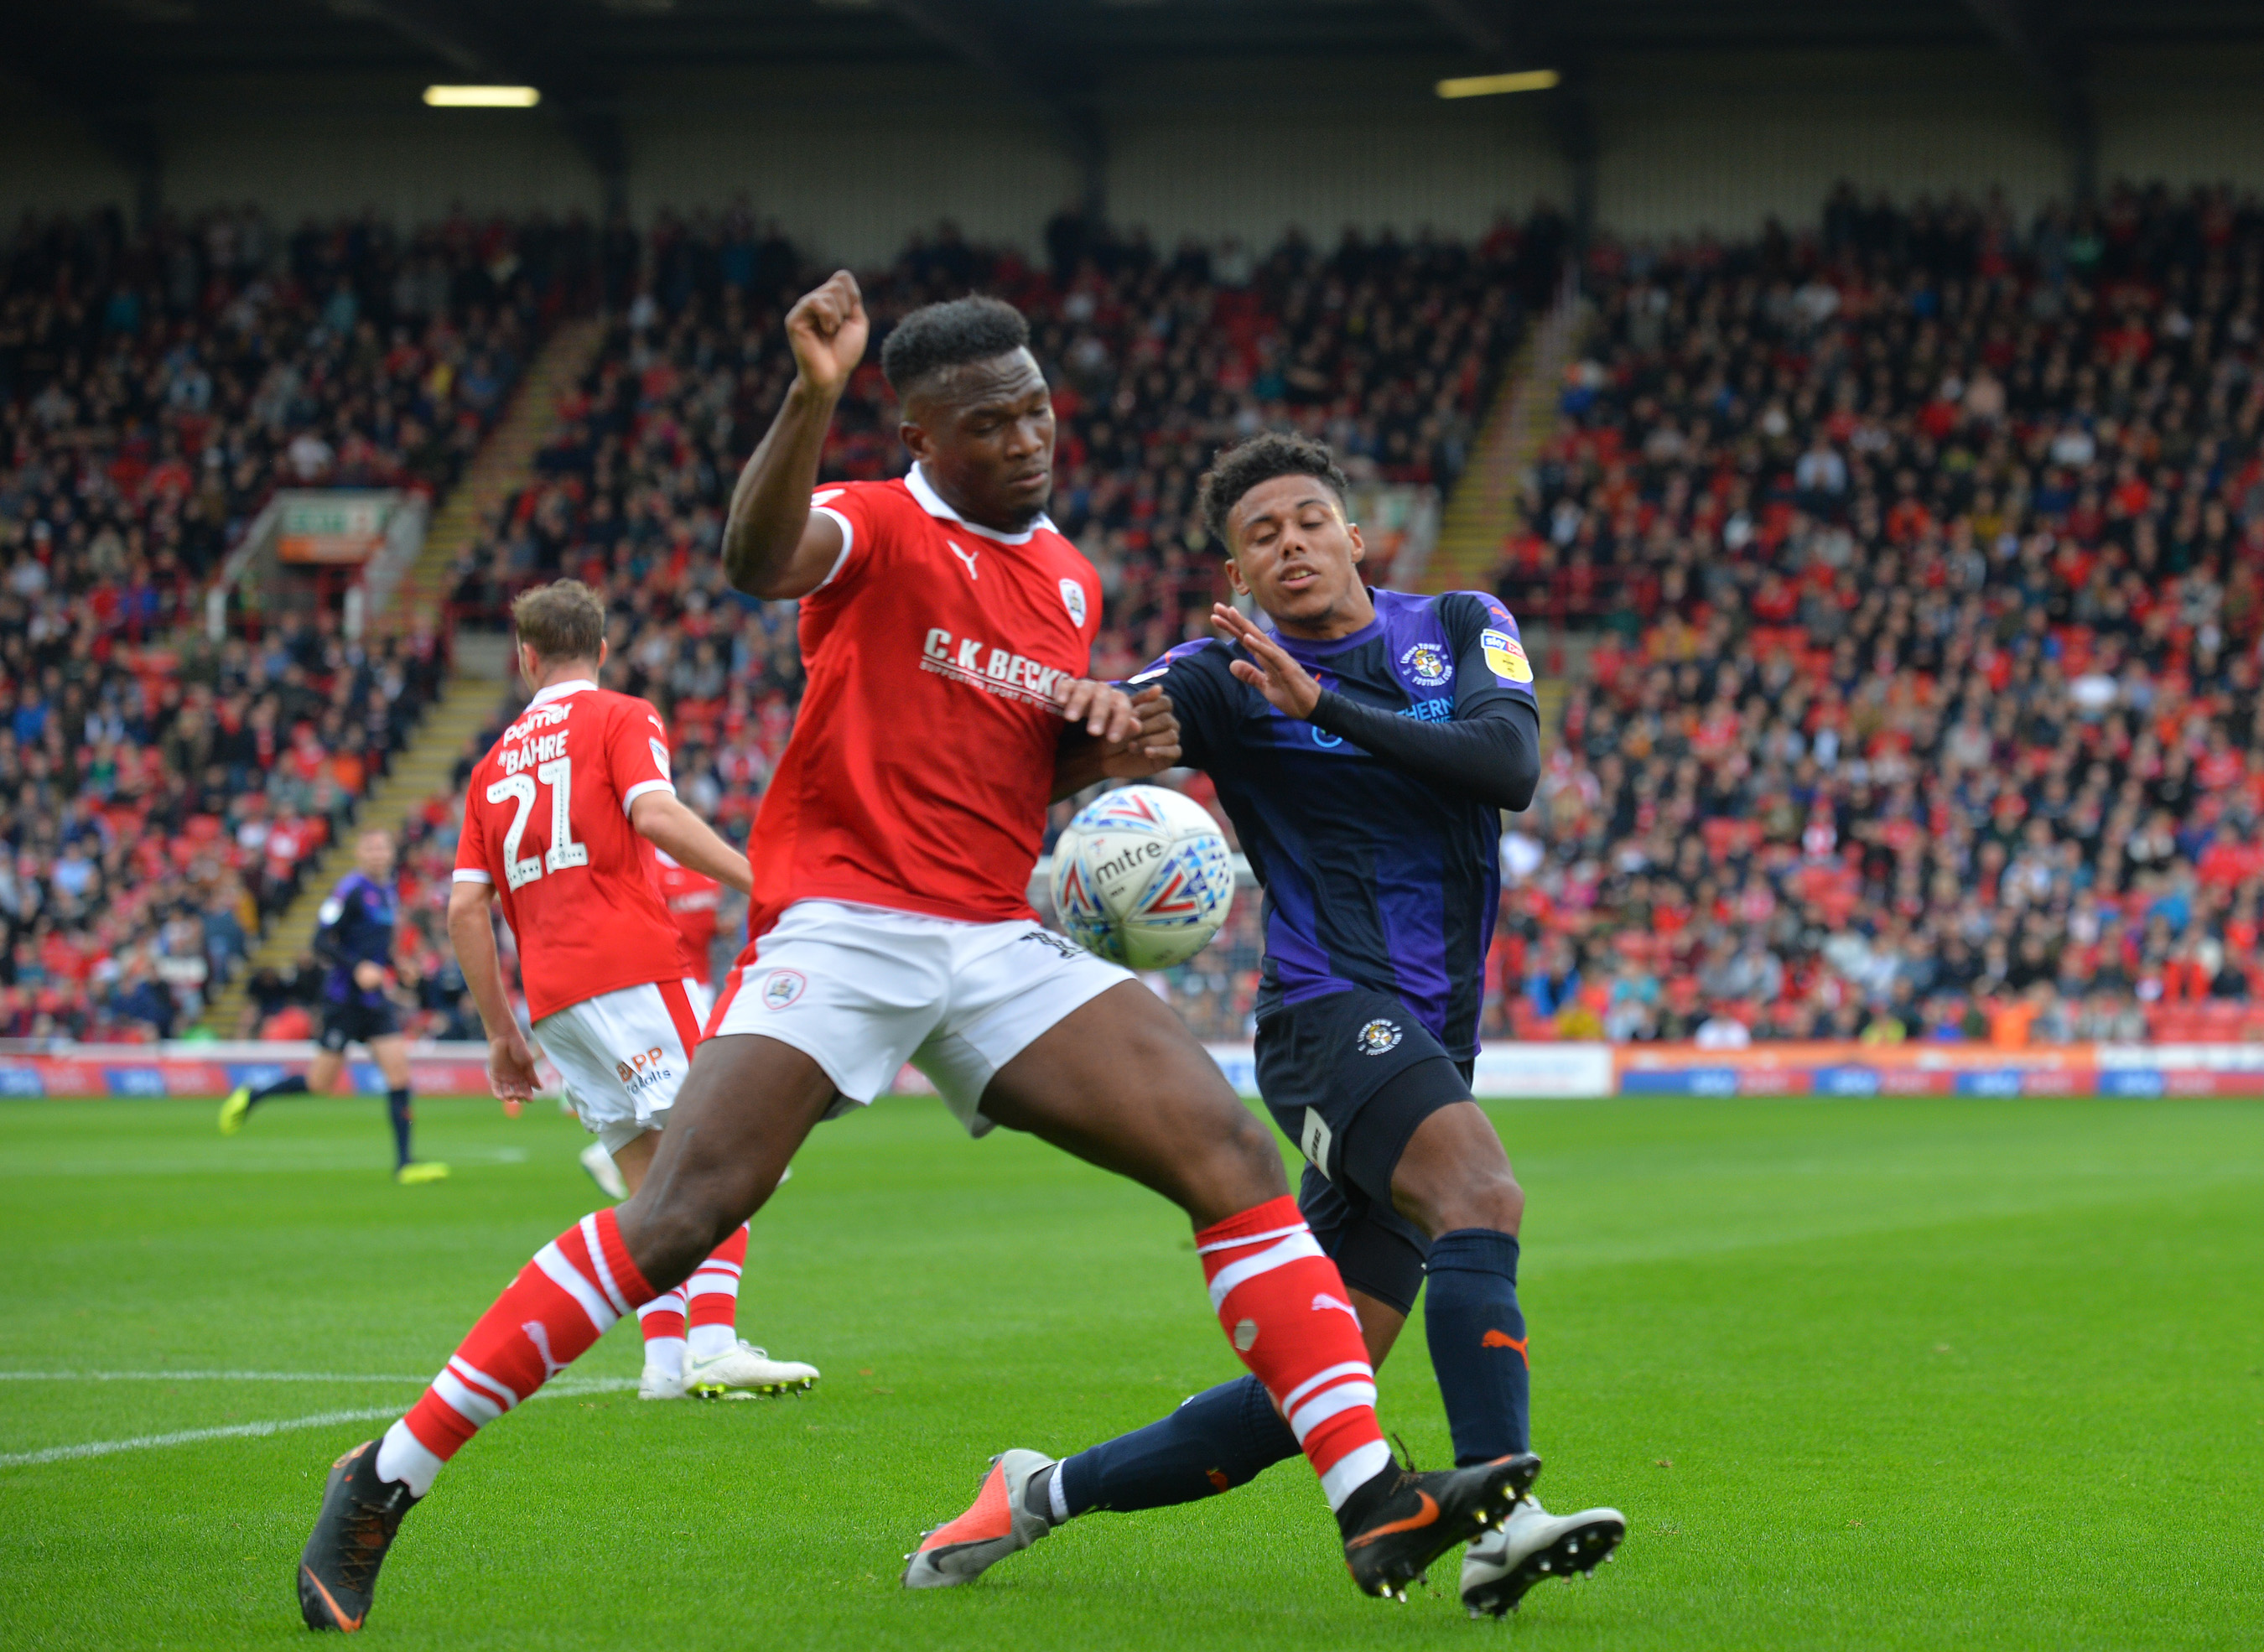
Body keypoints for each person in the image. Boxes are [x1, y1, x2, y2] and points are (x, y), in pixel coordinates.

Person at [296, 278, 1531, 1633]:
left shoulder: (1068, 577)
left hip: (995, 933)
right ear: (924, 439)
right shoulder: (877, 523)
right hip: (848, 923)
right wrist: (809, 395)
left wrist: (1094, 740)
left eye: (1035, 410)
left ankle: (1371, 1498)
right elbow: (757, 556)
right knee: (683, 1214)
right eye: (988, 423)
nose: (1025, 438)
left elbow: (1013, 764)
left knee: (1230, 1159)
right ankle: (389, 1472)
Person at [906, 434, 1623, 1617]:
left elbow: (1508, 764)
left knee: (1318, 1380)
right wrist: (1083, 723)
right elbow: (1078, 747)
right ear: (1235, 575)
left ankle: (1034, 1491)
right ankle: (1504, 1524)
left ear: (1355, 533)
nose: (1291, 545)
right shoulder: (1222, 672)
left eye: (1308, 521)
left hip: (1432, 1028)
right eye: (1260, 536)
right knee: (1480, 1192)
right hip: (1322, 1015)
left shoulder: (1458, 622)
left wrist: (1323, 701)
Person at [448, 581, 819, 1406]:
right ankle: (714, 1344)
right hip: (631, 969)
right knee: (731, 1144)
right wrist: (762, 882)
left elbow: (464, 908)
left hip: (554, 999)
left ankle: (662, 1365)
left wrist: (502, 1033)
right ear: (604, 650)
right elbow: (655, 814)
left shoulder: (490, 765)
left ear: (526, 657)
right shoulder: (622, 716)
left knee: (648, 1183)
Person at [219, 828, 447, 1185]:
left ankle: (405, 1164)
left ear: (391, 853)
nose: (377, 853)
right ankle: (253, 1095)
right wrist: (357, 968)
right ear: (359, 852)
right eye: (371, 847)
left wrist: (395, 965)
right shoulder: (349, 889)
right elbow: (320, 941)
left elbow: (374, 946)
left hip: (374, 1002)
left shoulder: (387, 891)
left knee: (399, 1075)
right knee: (320, 1082)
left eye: (382, 847)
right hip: (344, 1001)